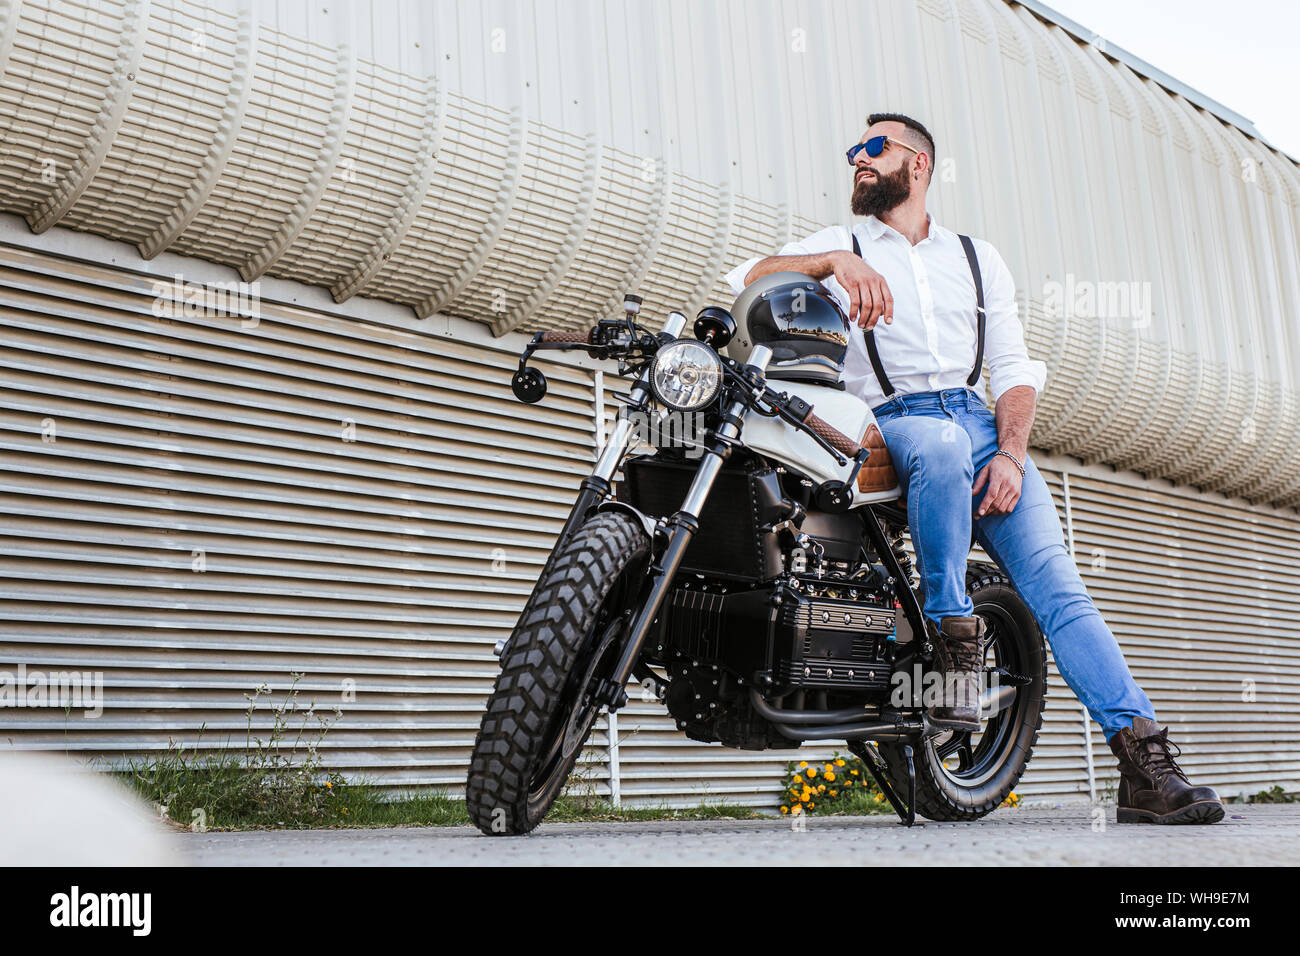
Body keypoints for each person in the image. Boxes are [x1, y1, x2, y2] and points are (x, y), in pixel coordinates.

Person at [724, 113, 1223, 825]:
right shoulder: (842, 243)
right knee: (943, 446)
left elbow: (1014, 371)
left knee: (1059, 588)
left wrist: (1014, 454)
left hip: (981, 425)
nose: (858, 162)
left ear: (919, 165)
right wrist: (830, 265)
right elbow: (744, 276)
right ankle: (953, 634)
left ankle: (1143, 761)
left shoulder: (978, 257)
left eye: (873, 149)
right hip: (897, 419)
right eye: (852, 153)